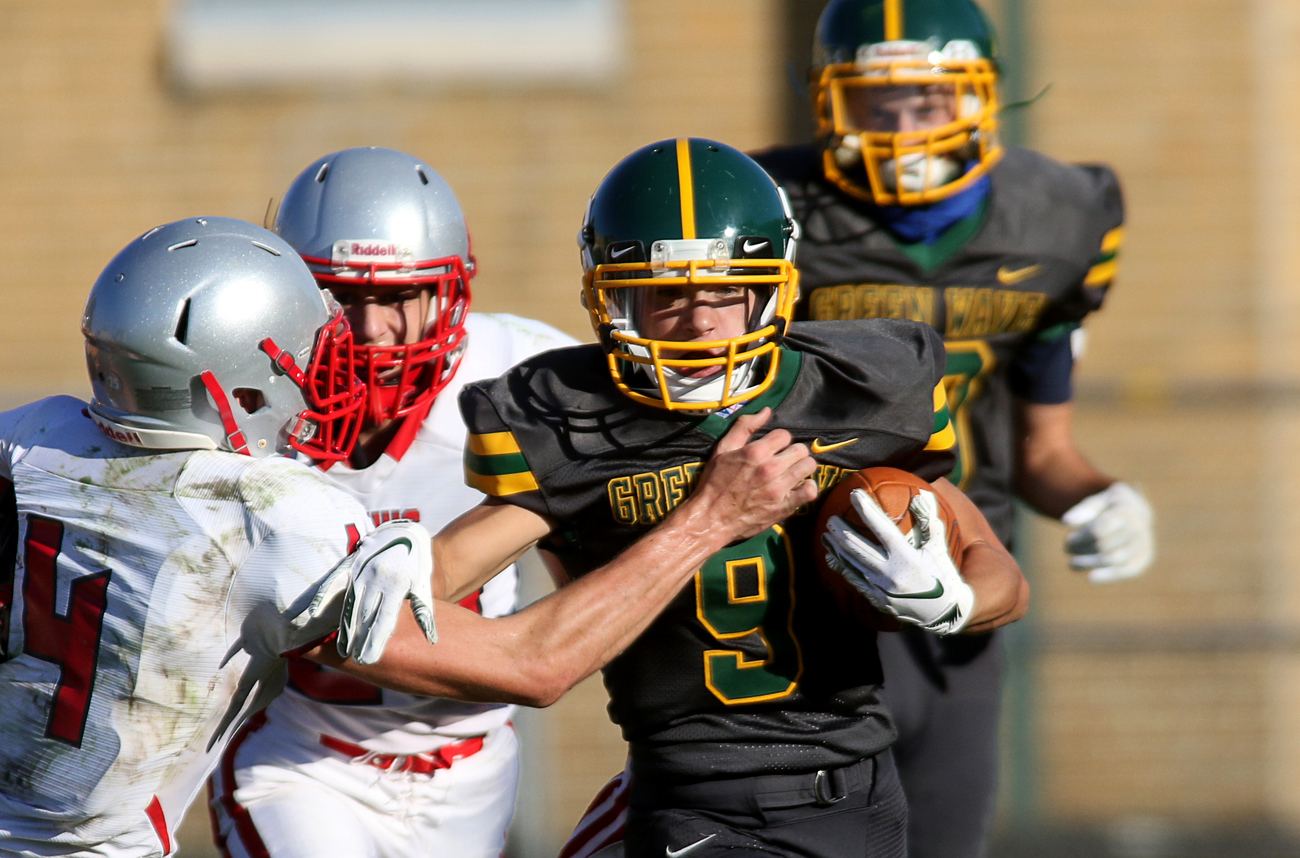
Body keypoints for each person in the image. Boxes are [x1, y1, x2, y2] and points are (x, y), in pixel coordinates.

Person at [0, 216, 817, 858]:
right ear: (234, 384)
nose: (355, 348)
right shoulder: (273, 515)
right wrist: (709, 517)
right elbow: (533, 664)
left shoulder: (30, 440)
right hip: (277, 773)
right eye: (306, 348)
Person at [422, 137, 1028, 858]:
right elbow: (435, 576)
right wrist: (378, 565)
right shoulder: (570, 425)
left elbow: (1000, 572)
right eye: (665, 295)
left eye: (725, 291)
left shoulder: (858, 390)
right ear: (610, 298)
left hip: (864, 797)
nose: (701, 321)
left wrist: (952, 602)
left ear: (773, 289)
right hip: (702, 803)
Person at [744, 1, 1156, 855]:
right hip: (807, 590)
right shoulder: (771, 215)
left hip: (967, 578)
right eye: (876, 101)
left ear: (980, 96)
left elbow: (1043, 449)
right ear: (828, 100)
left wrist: (1101, 497)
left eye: (927, 99)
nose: (903, 127)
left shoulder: (1061, 216)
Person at [209, 146, 576, 858]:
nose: (371, 329)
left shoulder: (526, 379)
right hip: (303, 757)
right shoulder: (244, 404)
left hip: (475, 769)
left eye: (399, 296)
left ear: (448, 295)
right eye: (340, 296)